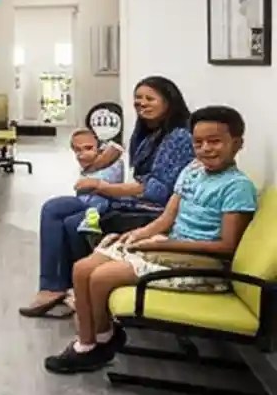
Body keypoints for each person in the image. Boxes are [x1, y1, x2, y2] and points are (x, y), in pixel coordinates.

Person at [44, 105, 258, 374]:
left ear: (237, 143)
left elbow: (227, 248)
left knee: (101, 277)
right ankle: (89, 342)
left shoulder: (237, 187)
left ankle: (100, 341)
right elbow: (166, 218)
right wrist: (138, 234)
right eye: (198, 142)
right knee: (82, 268)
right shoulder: (192, 170)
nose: (206, 149)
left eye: (215, 141)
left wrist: (161, 244)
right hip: (168, 248)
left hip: (200, 264)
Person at [19, 76, 195, 318]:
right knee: (53, 208)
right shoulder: (146, 132)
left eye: (149, 98)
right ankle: (52, 287)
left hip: (155, 210)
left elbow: (158, 190)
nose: (141, 103)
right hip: (131, 200)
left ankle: (84, 292)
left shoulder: (178, 137)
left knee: (74, 223)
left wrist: (101, 186)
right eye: (138, 98)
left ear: (169, 102)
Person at [70, 128, 125, 235]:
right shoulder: (86, 166)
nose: (83, 154)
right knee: (52, 210)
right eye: (78, 150)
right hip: (84, 201)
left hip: (107, 203)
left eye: (88, 148)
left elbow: (117, 149)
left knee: (70, 222)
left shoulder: (114, 162)